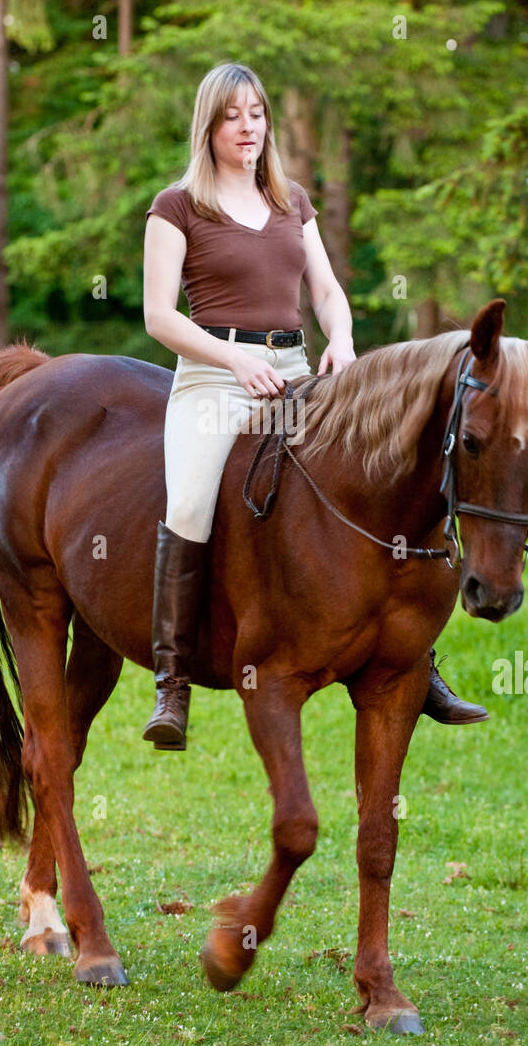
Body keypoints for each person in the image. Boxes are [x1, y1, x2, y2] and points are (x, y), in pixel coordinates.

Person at [141, 61, 486, 751]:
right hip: (214, 380)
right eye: (233, 116)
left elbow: (325, 291)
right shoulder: (176, 205)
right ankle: (172, 681)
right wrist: (234, 358)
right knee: (188, 503)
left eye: (257, 114)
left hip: (298, 371)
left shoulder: (290, 200)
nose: (248, 127)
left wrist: (345, 342)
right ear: (208, 126)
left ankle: (419, 662)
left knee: (382, 480)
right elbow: (157, 316)